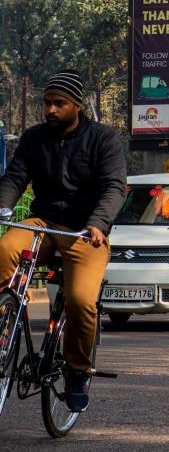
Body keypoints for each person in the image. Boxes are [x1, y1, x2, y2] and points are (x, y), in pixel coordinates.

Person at [0, 71, 127, 413]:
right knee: (5, 247)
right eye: (47, 103)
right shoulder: (34, 138)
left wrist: (99, 223)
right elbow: (14, 177)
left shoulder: (104, 140)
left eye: (59, 103)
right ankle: (4, 317)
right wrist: (3, 205)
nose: (51, 110)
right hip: (42, 223)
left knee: (82, 300)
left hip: (84, 232)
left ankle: (76, 371)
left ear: (77, 106)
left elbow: (114, 187)